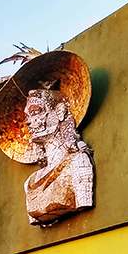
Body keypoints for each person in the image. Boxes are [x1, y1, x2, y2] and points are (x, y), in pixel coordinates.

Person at [22, 87, 94, 226]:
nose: (29, 122)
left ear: (60, 112)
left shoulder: (78, 162)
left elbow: (84, 201)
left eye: (35, 112)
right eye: (27, 117)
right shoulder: (29, 183)